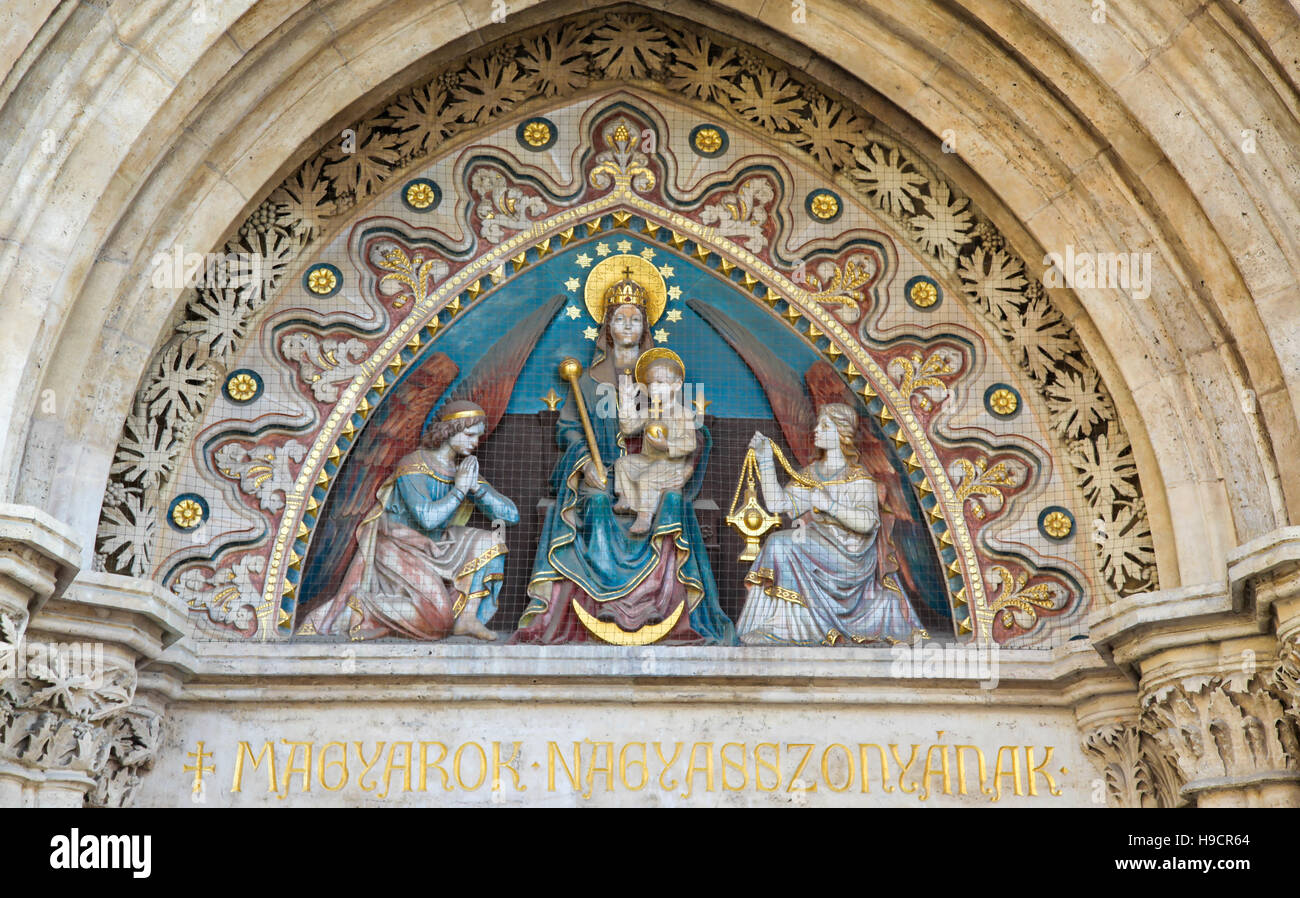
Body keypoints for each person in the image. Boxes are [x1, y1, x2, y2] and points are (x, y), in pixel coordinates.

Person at [512, 267, 733, 645]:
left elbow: (688, 430)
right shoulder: (587, 380)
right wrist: (585, 466)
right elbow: (570, 429)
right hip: (605, 472)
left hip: (658, 469)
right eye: (619, 318)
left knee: (671, 502)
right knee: (596, 503)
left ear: (646, 326)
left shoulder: (659, 377)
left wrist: (679, 441)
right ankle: (604, 600)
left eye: (636, 319)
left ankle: (657, 603)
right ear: (607, 326)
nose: (627, 325)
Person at [299, 400, 518, 641]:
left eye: (477, 437)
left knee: (490, 541)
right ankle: (363, 606)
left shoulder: (460, 471)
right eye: (468, 435)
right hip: (398, 546)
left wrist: (477, 489)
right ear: (449, 430)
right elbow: (427, 519)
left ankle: (467, 617)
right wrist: (459, 490)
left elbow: (510, 515)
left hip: (437, 547)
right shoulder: (413, 465)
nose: (475, 443)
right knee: (438, 622)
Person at [736, 403, 927, 645]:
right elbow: (777, 504)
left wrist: (830, 506)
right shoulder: (810, 474)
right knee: (778, 543)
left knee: (783, 545)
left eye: (825, 426)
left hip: (850, 558)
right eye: (819, 424)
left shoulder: (860, 479)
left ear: (842, 434)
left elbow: (868, 523)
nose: (817, 430)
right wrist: (765, 460)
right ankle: (780, 625)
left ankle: (785, 628)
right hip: (818, 547)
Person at [613, 349, 698, 535]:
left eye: (660, 383)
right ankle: (625, 497)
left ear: (676, 386)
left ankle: (644, 516)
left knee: (646, 479)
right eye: (650, 384)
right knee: (623, 464)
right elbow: (628, 428)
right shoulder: (648, 411)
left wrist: (667, 446)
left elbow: (690, 443)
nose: (654, 389)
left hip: (671, 464)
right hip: (648, 460)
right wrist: (627, 402)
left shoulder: (683, 414)